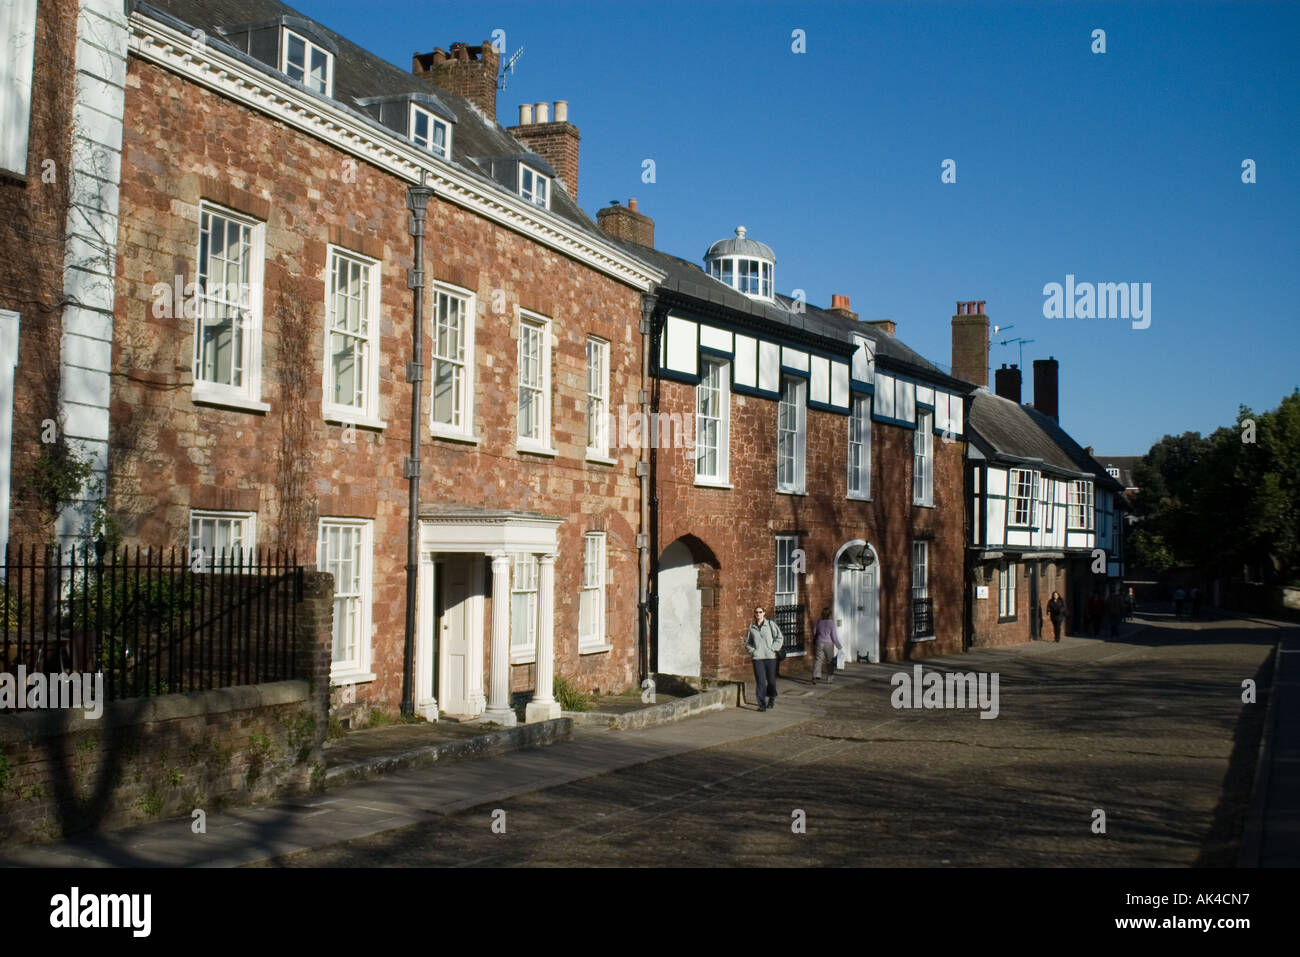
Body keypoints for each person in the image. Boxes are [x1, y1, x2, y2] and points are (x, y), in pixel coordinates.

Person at [745, 605, 786, 712]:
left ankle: (771, 698)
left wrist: (773, 648)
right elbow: (747, 642)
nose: (758, 614)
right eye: (756, 612)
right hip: (758, 658)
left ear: (764, 613)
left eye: (760, 612)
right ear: (754, 614)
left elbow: (779, 637)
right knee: (760, 682)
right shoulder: (752, 627)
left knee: (771, 681)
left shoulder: (770, 624)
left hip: (770, 657)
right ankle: (761, 704)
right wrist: (753, 650)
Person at [811, 606, 841, 684]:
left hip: (819, 642)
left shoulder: (818, 622)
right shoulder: (831, 623)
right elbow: (833, 636)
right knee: (830, 661)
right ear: (830, 614)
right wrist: (838, 645)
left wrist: (815, 641)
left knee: (818, 660)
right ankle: (829, 679)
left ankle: (815, 675)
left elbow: (815, 633)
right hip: (829, 644)